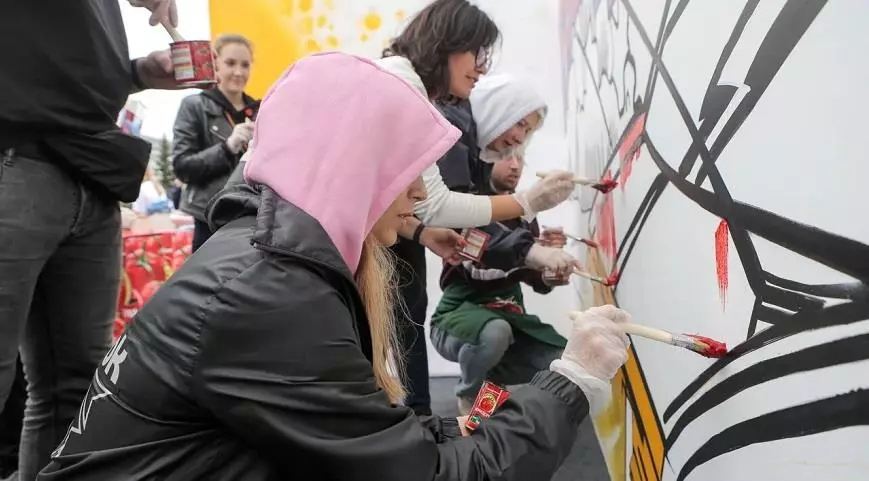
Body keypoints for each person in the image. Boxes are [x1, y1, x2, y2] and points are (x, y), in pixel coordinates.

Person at [36, 52, 630, 481]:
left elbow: (376, 439)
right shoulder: (272, 294)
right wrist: (573, 380)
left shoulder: (262, 257)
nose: (417, 200)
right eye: (405, 173)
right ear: (356, 167)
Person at [0, 1, 178, 479]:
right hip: (15, 156)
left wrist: (137, 72)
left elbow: (61, 56)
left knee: (77, 389)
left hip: (93, 171)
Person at [374, 0, 578, 416]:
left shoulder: (499, 197)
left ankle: (474, 412)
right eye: (514, 127)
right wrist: (530, 247)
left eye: (525, 141)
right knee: (491, 335)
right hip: (469, 316)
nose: (515, 154)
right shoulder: (423, 102)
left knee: (553, 355)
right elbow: (461, 235)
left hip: (498, 316)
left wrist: (543, 264)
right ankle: (460, 403)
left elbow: (434, 211)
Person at [430, 74, 575, 411]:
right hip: (462, 318)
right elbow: (478, 265)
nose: (514, 161)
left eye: (521, 155)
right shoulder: (463, 204)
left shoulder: (523, 215)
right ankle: (470, 394)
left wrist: (550, 270)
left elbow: (536, 282)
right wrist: (532, 253)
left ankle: (486, 402)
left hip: (507, 321)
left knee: (564, 359)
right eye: (507, 154)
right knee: (493, 335)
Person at [172, 33, 260, 252]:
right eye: (230, 63)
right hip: (209, 217)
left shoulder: (261, 110)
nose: (238, 72)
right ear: (215, 64)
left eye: (245, 65)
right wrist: (228, 147)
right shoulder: (194, 106)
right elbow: (183, 167)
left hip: (253, 217)